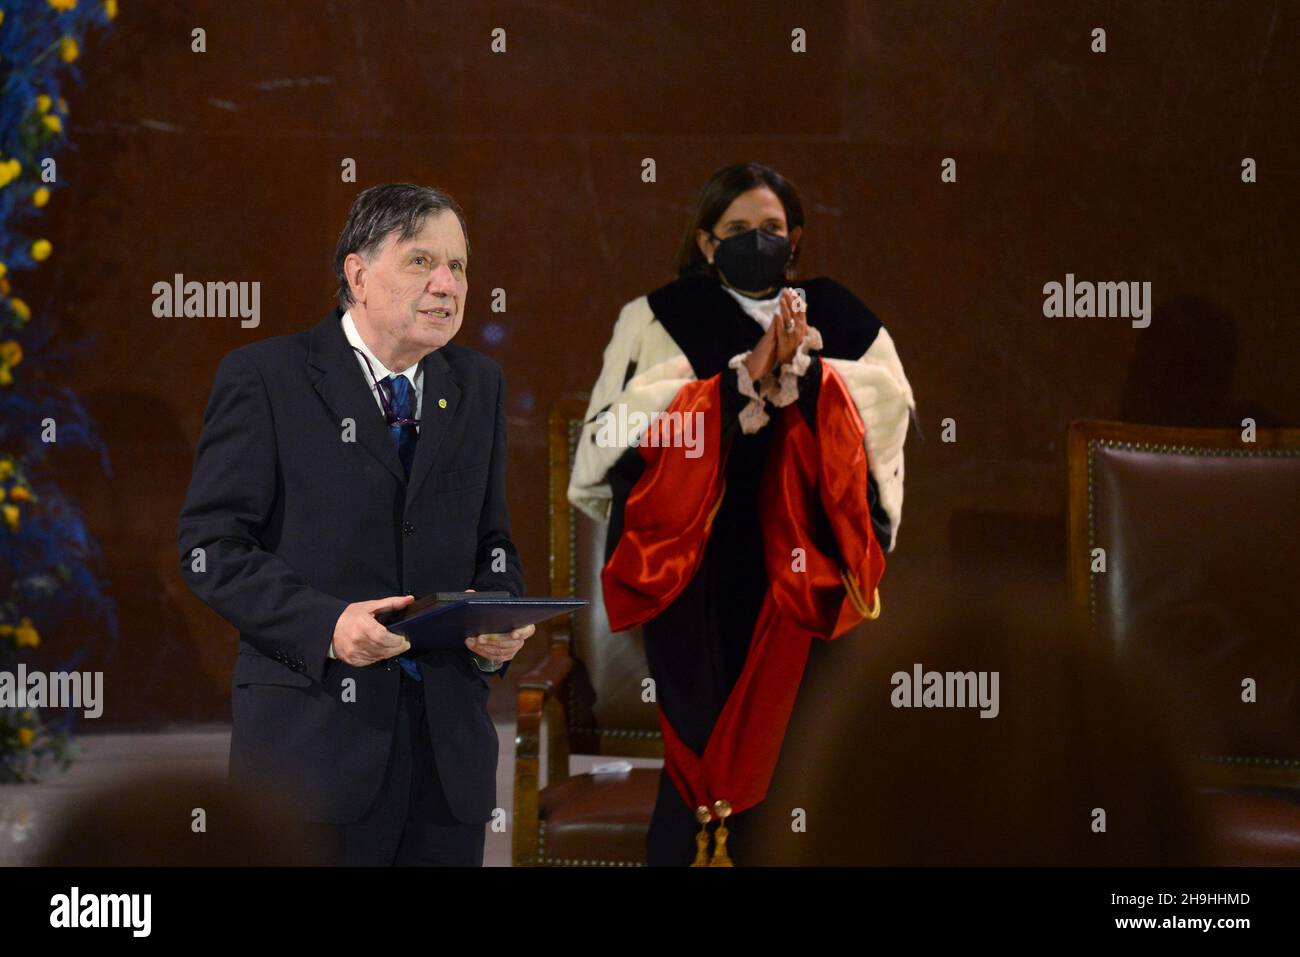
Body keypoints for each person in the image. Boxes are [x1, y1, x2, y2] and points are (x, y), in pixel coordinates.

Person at [568, 162, 916, 865]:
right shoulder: (658, 318)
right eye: (735, 230)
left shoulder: (842, 317)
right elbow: (609, 447)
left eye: (770, 229)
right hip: (695, 585)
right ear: (704, 242)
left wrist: (811, 377)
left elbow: (885, 434)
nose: (755, 241)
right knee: (697, 782)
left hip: (802, 588)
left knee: (798, 778)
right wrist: (737, 385)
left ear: (795, 241)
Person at [177, 183, 534, 866]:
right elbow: (210, 548)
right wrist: (327, 625)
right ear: (358, 273)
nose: (446, 283)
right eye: (422, 261)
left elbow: (493, 541)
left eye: (458, 266)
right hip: (309, 755)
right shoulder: (266, 378)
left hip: (446, 762)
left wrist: (498, 612)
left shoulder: (477, 384)